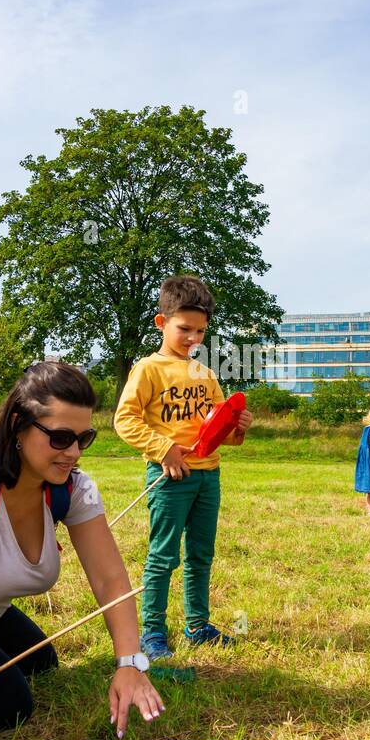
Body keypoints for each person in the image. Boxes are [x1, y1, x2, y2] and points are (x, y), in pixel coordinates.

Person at [0, 363, 165, 737]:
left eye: (85, 439)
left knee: (43, 662)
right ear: (19, 424)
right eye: (61, 438)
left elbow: (111, 579)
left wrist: (130, 662)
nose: (74, 453)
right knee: (10, 704)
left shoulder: (71, 488)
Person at [114, 276, 253, 662]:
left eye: (201, 331)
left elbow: (218, 429)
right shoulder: (147, 369)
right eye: (184, 329)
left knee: (200, 555)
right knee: (163, 556)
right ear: (162, 323)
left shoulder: (206, 375)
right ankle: (153, 633)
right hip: (170, 478)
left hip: (208, 476)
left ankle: (197, 625)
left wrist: (237, 429)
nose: (193, 338)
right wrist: (164, 450)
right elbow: (125, 420)